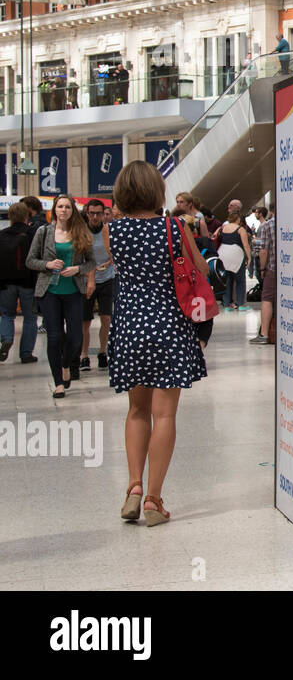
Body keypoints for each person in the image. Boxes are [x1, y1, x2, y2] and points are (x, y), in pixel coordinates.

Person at [109, 161, 207, 527]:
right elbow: (198, 268)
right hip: (168, 325)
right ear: (156, 191)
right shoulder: (172, 226)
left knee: (136, 410)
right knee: (164, 414)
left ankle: (132, 487)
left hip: (130, 326)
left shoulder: (113, 232)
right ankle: (153, 499)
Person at [28, 195, 96, 398]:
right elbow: (31, 260)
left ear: (73, 210)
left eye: (67, 207)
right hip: (49, 292)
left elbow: (91, 263)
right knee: (54, 337)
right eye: (60, 206)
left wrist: (77, 269)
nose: (64, 210)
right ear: (54, 209)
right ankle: (58, 382)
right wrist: (47, 265)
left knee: (75, 337)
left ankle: (66, 364)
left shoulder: (80, 233)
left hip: (74, 290)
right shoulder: (44, 232)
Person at [0, 202, 40, 365]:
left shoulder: (1, 234)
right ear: (27, 216)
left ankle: (7, 339)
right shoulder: (32, 234)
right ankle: (26, 354)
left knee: (7, 315)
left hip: (5, 283)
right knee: (30, 318)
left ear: (10, 217)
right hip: (28, 282)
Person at [80, 199, 115, 371]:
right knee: (85, 321)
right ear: (87, 213)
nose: (95, 217)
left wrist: (109, 263)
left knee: (106, 317)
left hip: (107, 277)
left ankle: (102, 351)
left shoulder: (108, 231)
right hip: (86, 280)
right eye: (91, 213)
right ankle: (84, 355)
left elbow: (114, 254)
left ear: (103, 214)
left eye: (98, 213)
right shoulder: (81, 232)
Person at [217, 203, 253, 311]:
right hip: (236, 254)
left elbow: (215, 237)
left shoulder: (223, 227)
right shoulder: (240, 229)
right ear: (238, 219)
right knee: (240, 280)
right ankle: (241, 304)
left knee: (227, 280)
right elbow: (246, 245)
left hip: (222, 254)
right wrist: (249, 257)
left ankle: (227, 304)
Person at [251, 203, 276, 345]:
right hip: (290, 270)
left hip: (272, 268)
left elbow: (263, 250)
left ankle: (264, 334)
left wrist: (262, 269)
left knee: (267, 299)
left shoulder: (267, 226)